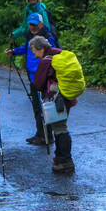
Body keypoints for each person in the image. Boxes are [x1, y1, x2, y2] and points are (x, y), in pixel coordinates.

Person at [8, 14, 57, 146]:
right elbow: (26, 49)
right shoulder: (29, 36)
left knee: (45, 107)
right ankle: (40, 134)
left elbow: (53, 53)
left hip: (44, 77)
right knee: (36, 106)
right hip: (32, 76)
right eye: (31, 24)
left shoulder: (47, 37)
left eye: (35, 24)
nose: (33, 27)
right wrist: (14, 51)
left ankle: (47, 135)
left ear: (41, 24)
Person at [30, 36, 76, 175]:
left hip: (55, 98)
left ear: (41, 48)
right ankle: (62, 159)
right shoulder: (60, 53)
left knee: (60, 129)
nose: (34, 55)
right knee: (62, 126)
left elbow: (38, 83)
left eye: (34, 52)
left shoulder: (46, 61)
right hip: (66, 97)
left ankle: (64, 161)